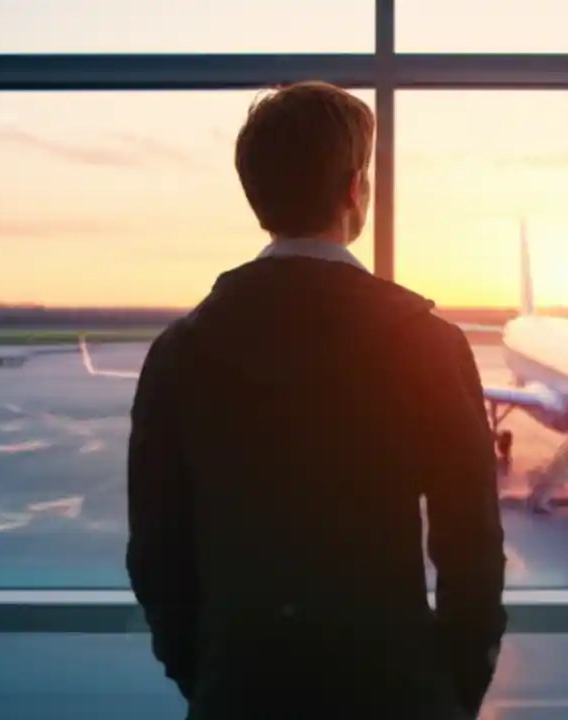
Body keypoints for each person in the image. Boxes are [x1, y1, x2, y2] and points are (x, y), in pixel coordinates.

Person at [127, 81, 507, 719]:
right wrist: (446, 692)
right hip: (396, 693)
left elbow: (157, 556)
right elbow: (471, 549)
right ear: (356, 188)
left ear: (257, 196)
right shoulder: (427, 346)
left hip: (240, 692)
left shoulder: (179, 352)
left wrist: (213, 678)